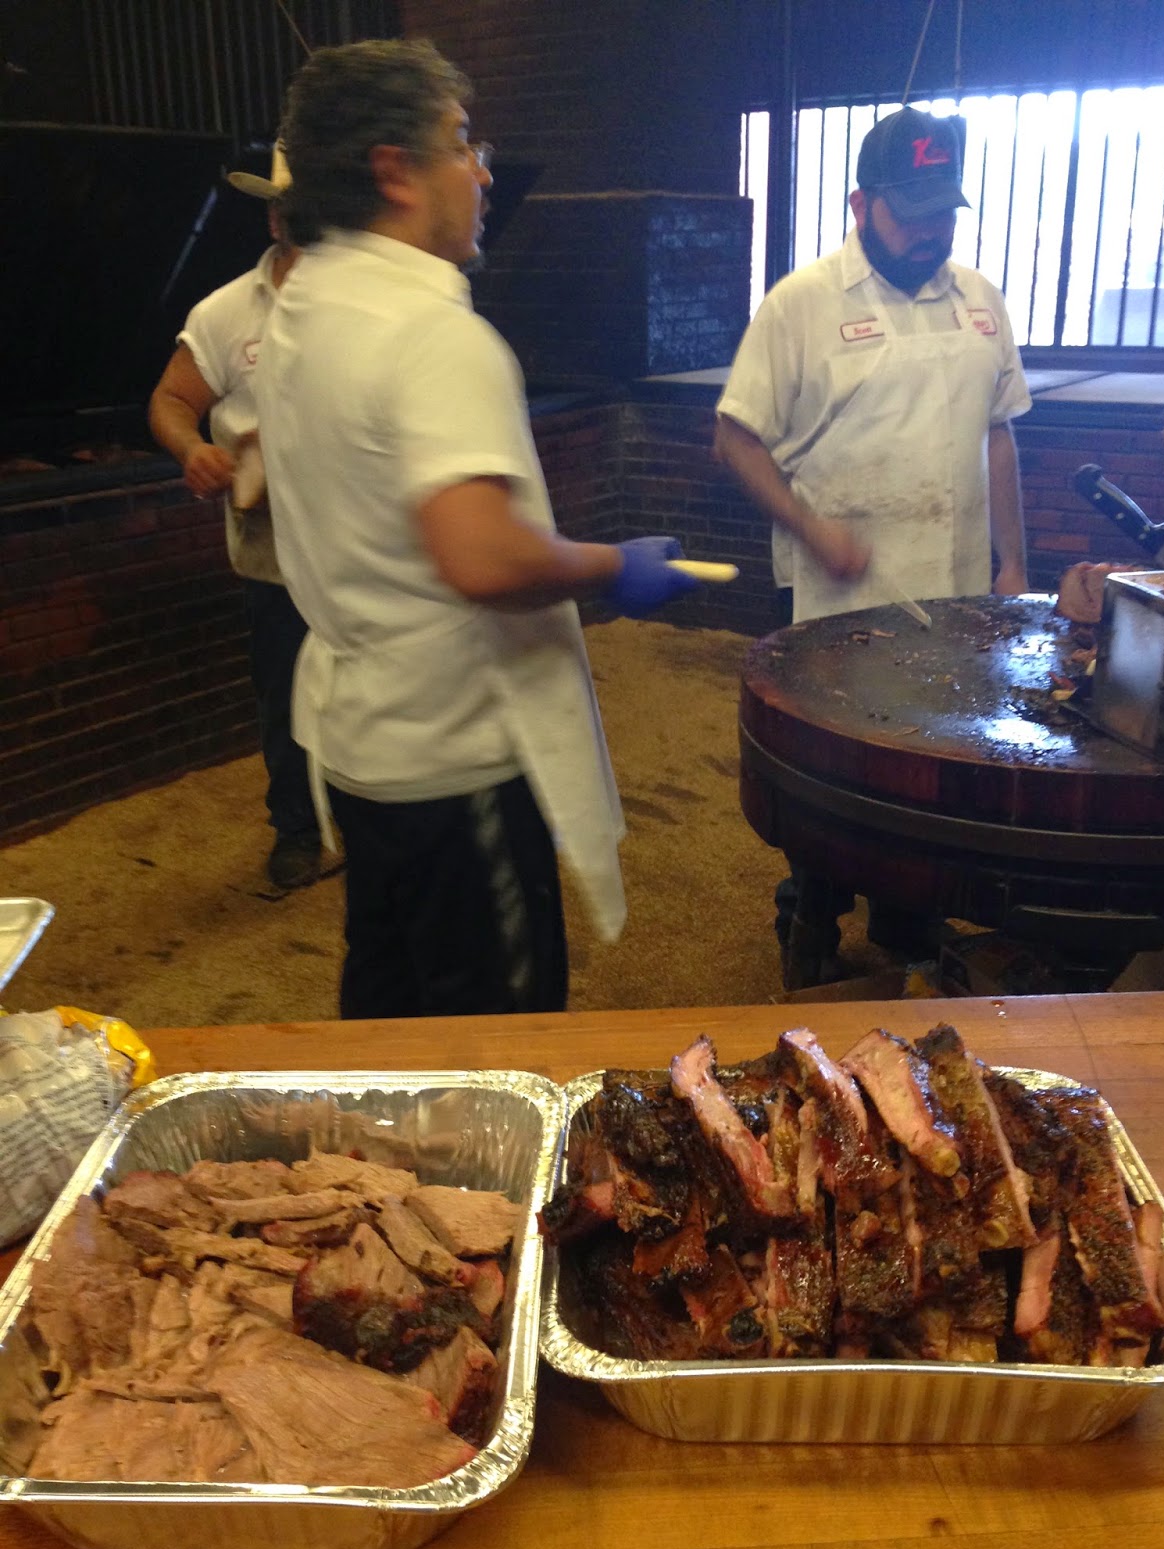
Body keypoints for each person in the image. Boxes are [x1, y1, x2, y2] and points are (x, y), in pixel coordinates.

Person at [254, 38, 698, 1020]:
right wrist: (613, 566)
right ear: (394, 170)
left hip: (366, 742)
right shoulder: (431, 334)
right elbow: (482, 555)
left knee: (387, 1007)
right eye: (461, 142)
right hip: (456, 753)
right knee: (498, 1032)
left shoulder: (304, 305)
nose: (483, 169)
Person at [714, 105, 1033, 979]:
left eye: (943, 212)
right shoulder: (803, 304)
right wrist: (812, 529)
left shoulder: (980, 301)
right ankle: (809, 917)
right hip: (840, 602)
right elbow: (734, 438)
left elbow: (1000, 433)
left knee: (938, 763)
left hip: (960, 592)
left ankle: (908, 916)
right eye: (910, 212)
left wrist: (1013, 562)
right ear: (861, 204)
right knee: (835, 779)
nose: (930, 231)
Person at [148, 144, 323, 891]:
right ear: (272, 214)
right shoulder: (223, 312)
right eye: (285, 203)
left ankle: (374, 818)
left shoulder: (371, 306)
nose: (295, 215)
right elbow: (170, 400)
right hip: (270, 551)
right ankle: (298, 831)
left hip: (367, 546)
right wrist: (193, 449)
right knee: (284, 695)